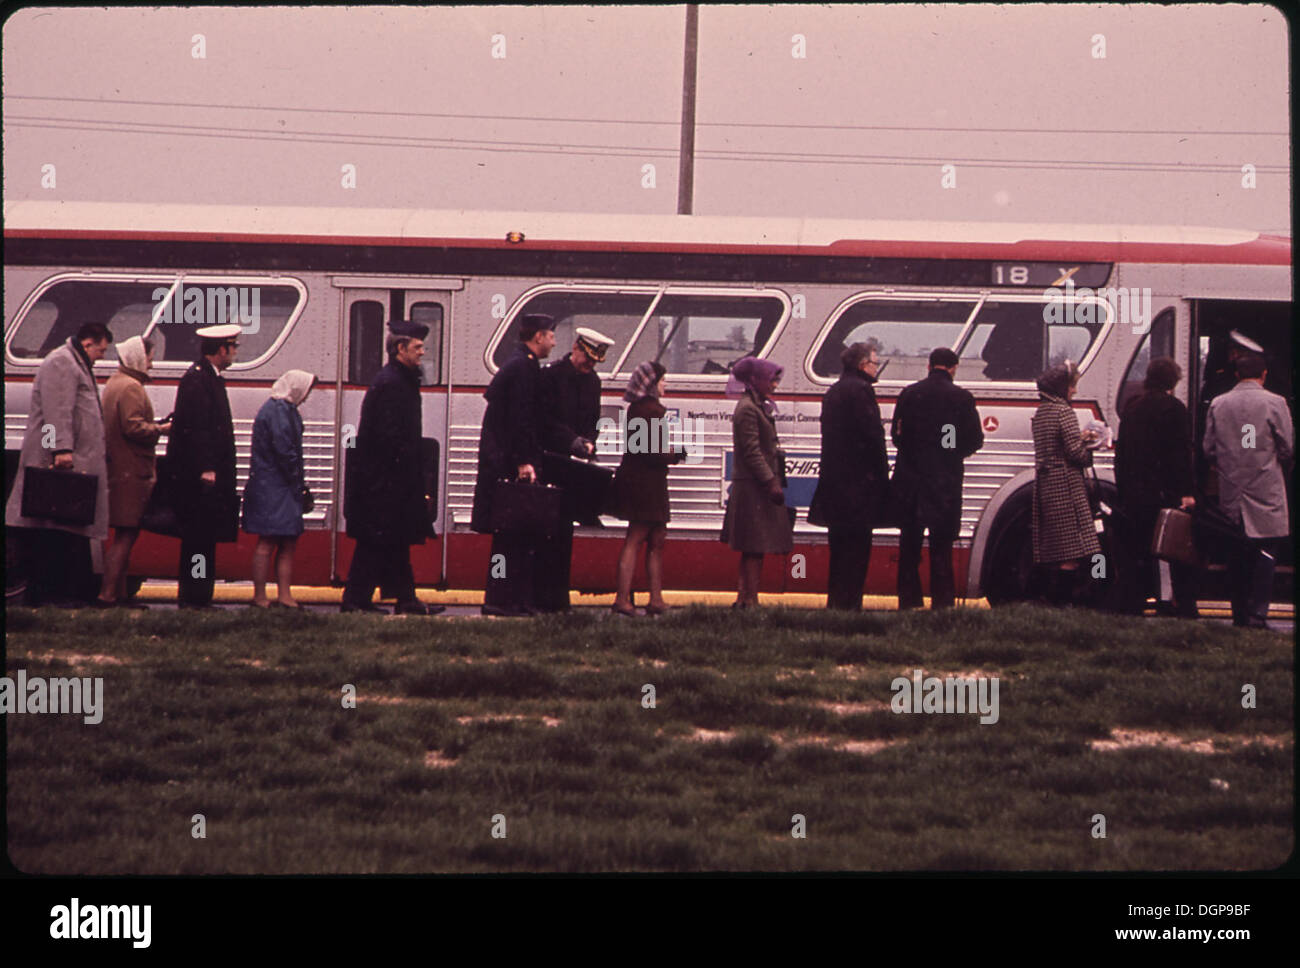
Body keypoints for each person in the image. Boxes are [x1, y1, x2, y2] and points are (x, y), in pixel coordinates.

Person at [5, 322, 113, 606]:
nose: (101, 356)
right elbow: (56, 410)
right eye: (100, 349)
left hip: (70, 462)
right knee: (53, 528)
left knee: (64, 528)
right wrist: (59, 449)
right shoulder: (62, 363)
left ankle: (62, 593)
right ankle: (51, 594)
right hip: (58, 465)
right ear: (88, 342)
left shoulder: (74, 363)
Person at [342, 321, 445, 616]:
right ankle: (355, 600)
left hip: (391, 478)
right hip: (385, 480)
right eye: (417, 347)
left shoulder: (398, 379)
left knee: (395, 540)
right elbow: (389, 437)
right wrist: (403, 476)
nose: (423, 352)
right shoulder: (393, 383)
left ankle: (405, 598)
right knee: (376, 541)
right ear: (400, 348)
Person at [471, 313, 557, 616]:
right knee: (513, 537)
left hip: (502, 463)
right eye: (550, 335)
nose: (553, 341)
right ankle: (503, 600)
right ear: (537, 337)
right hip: (510, 465)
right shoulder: (523, 368)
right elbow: (521, 420)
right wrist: (524, 462)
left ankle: (503, 598)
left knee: (509, 538)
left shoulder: (519, 364)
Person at [1203, 350, 1293, 628]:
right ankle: (1258, 613)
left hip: (1232, 492)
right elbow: (1288, 447)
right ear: (1264, 374)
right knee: (1265, 554)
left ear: (1237, 375)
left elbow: (1208, 449)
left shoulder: (1218, 404)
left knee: (1236, 556)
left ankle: (1239, 614)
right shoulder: (1275, 402)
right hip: (1266, 490)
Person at [890, 347, 984, 610]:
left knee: (909, 546)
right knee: (941, 548)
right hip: (945, 482)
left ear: (929, 366)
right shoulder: (961, 397)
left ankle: (909, 602)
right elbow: (975, 439)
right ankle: (942, 604)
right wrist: (952, 453)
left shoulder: (909, 394)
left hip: (911, 481)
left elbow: (897, 437)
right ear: (954, 368)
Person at [535, 326, 615, 613]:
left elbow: (592, 420)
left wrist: (590, 443)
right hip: (550, 461)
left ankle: (558, 599)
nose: (590, 366)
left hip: (574, 466)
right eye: (588, 359)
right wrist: (573, 441)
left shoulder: (593, 382)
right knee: (546, 533)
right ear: (576, 348)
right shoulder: (551, 376)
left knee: (565, 533)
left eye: (595, 362)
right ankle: (542, 597)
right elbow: (543, 421)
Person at [807, 341, 890, 611]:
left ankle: (836, 605)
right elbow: (872, 437)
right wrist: (882, 476)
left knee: (839, 550)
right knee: (857, 552)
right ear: (862, 364)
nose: (877, 368)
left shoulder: (833, 391)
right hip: (859, 486)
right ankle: (851, 607)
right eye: (875, 363)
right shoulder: (862, 391)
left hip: (835, 483)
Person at [1114, 357, 1199, 617]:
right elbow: (1179, 456)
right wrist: (1186, 491)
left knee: (1137, 550)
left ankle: (1133, 603)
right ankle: (1179, 605)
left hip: (1135, 493)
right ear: (1173, 381)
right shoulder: (1174, 408)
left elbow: (1123, 453)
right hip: (1164, 493)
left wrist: (1124, 488)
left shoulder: (1132, 407)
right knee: (1173, 550)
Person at [167, 323, 240, 609]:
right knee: (198, 539)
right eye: (233, 347)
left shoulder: (207, 378)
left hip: (205, 476)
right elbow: (198, 429)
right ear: (221, 349)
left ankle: (200, 595)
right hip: (200, 479)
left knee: (204, 539)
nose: (234, 352)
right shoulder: (199, 380)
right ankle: (195, 598)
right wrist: (207, 467)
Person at [96, 336, 171, 607]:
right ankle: (109, 595)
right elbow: (133, 427)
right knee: (126, 536)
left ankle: (119, 594)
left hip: (118, 468)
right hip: (131, 470)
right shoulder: (131, 387)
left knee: (124, 535)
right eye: (150, 357)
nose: (151, 363)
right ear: (139, 357)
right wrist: (161, 429)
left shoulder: (115, 383)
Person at [609, 361, 685, 616]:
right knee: (641, 537)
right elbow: (651, 452)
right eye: (662, 380)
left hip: (644, 482)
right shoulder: (649, 411)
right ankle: (625, 599)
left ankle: (654, 598)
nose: (665, 385)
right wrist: (676, 454)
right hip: (646, 484)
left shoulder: (640, 409)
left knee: (652, 537)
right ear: (651, 384)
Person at [719, 356, 792, 609]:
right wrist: (771, 481)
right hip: (753, 487)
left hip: (755, 485)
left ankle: (745, 598)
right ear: (755, 380)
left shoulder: (755, 405)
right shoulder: (748, 409)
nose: (774, 385)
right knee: (753, 546)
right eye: (771, 380)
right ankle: (749, 600)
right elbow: (751, 452)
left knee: (754, 547)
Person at [244, 370, 317, 609]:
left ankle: (277, 596)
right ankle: (267, 597)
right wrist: (298, 482)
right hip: (277, 486)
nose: (306, 397)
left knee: (282, 540)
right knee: (274, 540)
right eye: (305, 391)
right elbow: (285, 451)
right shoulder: (280, 411)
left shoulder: (280, 409)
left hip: (275, 485)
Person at [1030, 361, 1102, 605]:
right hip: (1066, 487)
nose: (1074, 391)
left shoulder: (1042, 413)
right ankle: (1064, 602)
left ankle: (1054, 601)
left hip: (1047, 485)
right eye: (1072, 386)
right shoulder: (1064, 412)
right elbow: (1076, 455)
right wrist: (1089, 444)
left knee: (1058, 548)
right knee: (1072, 550)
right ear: (1062, 387)